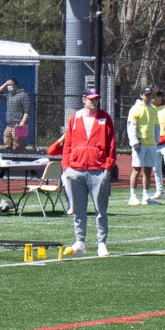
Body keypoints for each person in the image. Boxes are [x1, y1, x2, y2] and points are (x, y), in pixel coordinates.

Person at [50, 87, 117, 258]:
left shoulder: (105, 118)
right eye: (91, 98)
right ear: (84, 99)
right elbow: (68, 144)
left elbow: (111, 144)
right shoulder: (76, 118)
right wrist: (67, 167)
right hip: (76, 170)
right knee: (78, 209)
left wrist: (107, 166)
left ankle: (101, 243)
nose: (94, 101)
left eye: (96, 99)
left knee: (101, 210)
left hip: (98, 170)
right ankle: (80, 241)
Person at [126, 91, 164, 205]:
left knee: (148, 170)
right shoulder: (135, 109)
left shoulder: (152, 110)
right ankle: (133, 196)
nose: (148, 97)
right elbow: (131, 126)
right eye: (146, 94)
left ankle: (146, 197)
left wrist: (156, 140)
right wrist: (134, 142)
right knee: (136, 170)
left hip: (151, 144)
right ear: (141, 95)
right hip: (140, 144)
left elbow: (156, 126)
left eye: (150, 95)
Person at [0, 78, 31, 148]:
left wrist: (22, 122)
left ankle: (20, 157)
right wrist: (5, 84)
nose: (9, 86)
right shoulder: (9, 95)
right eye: (8, 85)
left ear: (15, 85)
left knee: (17, 144)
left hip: (18, 124)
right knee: (7, 142)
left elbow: (27, 110)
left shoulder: (23, 95)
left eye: (10, 84)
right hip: (9, 124)